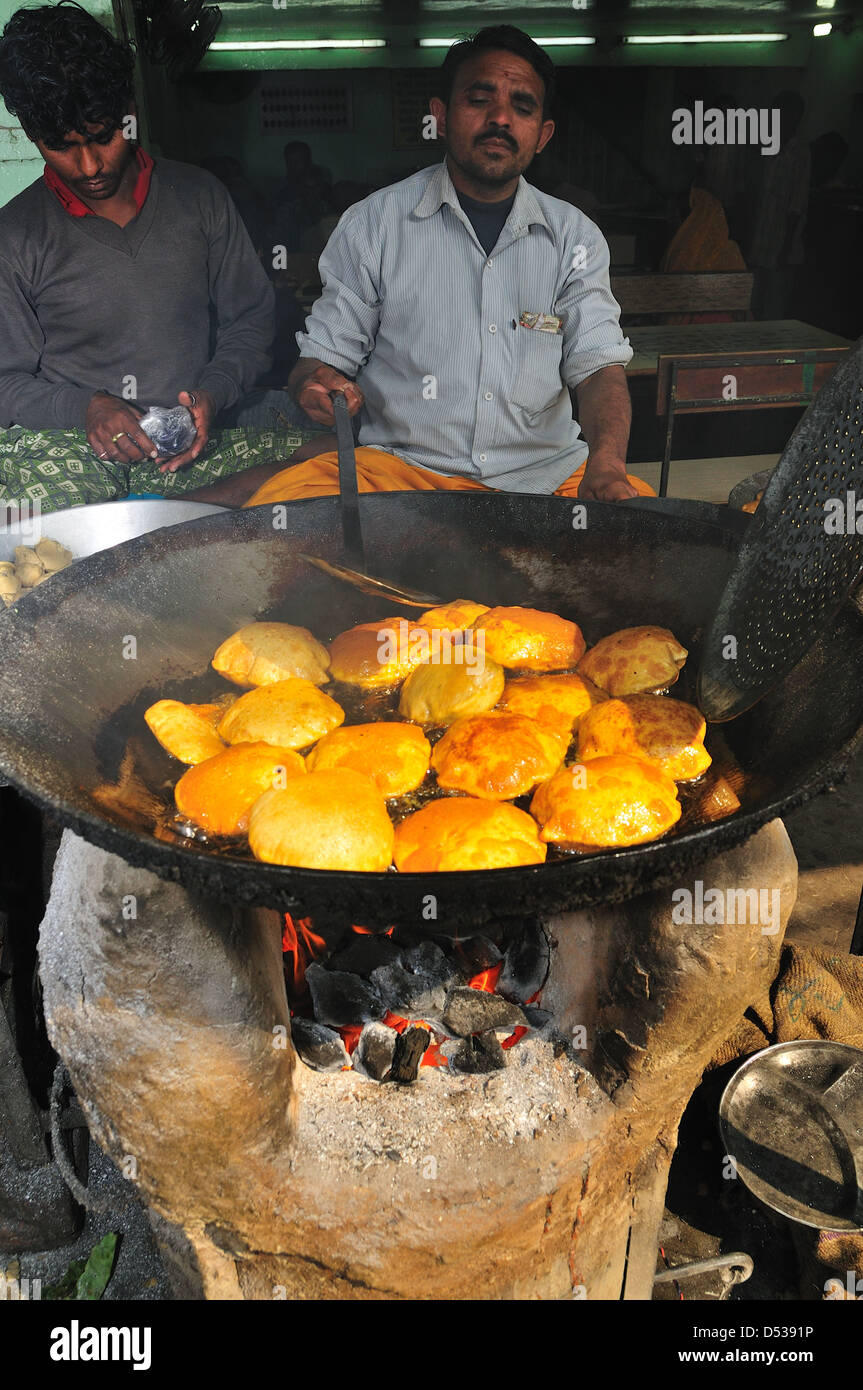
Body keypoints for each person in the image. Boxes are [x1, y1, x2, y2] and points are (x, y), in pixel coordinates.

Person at [195, 26, 652, 509]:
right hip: (400, 472)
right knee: (285, 508)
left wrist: (606, 464)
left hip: (544, 474)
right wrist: (314, 383)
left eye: (523, 107)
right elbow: (321, 360)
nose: (500, 118)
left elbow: (599, 365)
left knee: (641, 530)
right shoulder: (374, 224)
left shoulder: (574, 237)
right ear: (440, 116)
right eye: (479, 100)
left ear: (542, 135)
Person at [0, 3, 318, 514]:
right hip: (71, 450)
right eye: (61, 146)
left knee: (338, 469)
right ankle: (167, 523)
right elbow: (5, 381)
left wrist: (213, 393)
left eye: (104, 136)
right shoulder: (14, 235)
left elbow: (251, 318)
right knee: (41, 545)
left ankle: (168, 521)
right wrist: (87, 407)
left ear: (129, 109)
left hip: (193, 445)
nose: (89, 166)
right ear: (31, 133)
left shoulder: (199, 197)